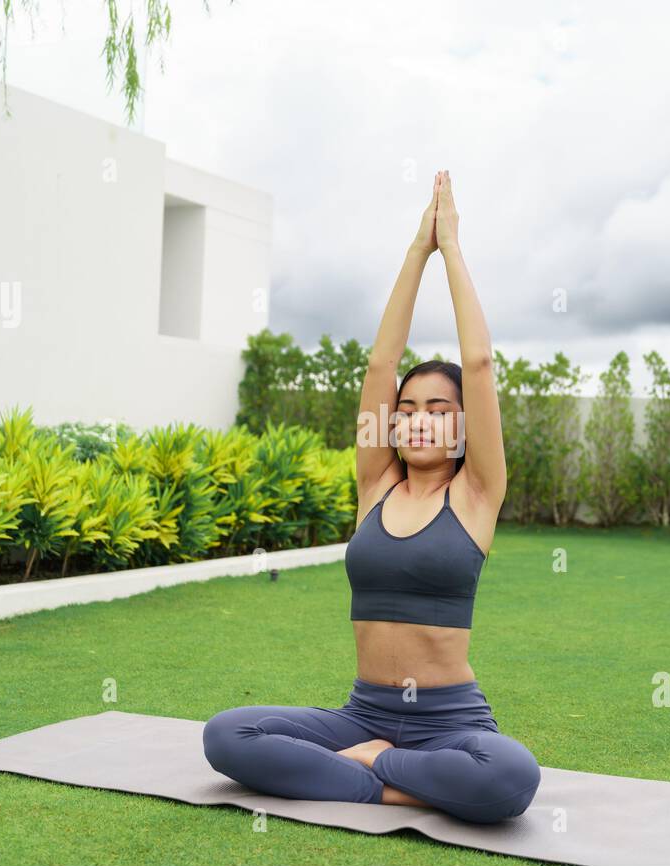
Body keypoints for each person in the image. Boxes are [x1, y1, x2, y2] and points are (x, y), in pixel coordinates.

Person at [202, 170, 541, 824]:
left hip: (449, 719)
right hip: (363, 712)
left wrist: (453, 249)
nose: (418, 417)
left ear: (464, 426)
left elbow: (479, 366)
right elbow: (380, 367)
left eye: (439, 410)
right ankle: (397, 782)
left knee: (510, 777)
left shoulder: (476, 495)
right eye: (408, 409)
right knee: (227, 735)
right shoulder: (375, 486)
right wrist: (417, 250)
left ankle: (373, 771)